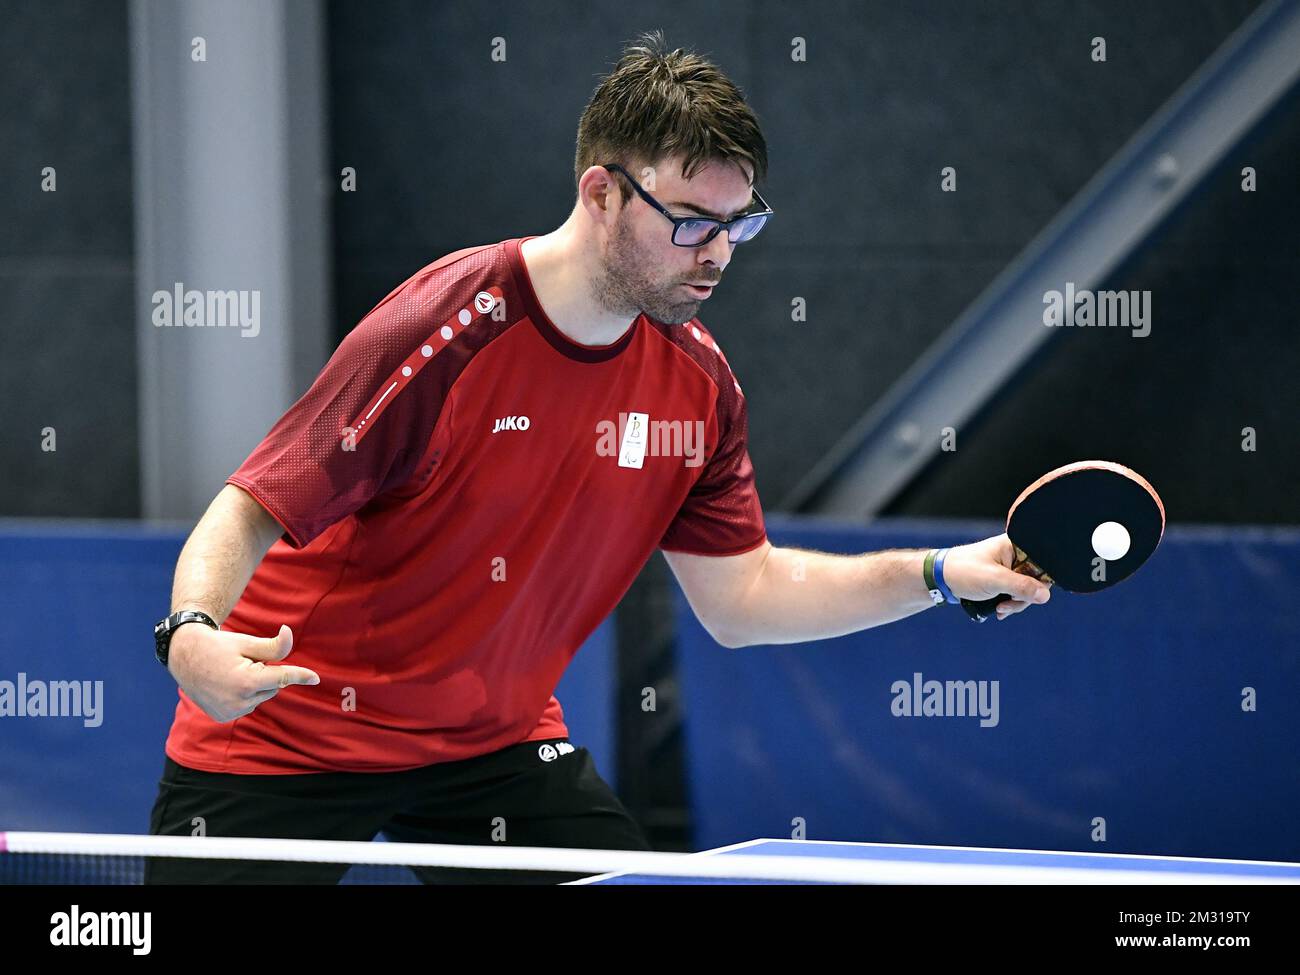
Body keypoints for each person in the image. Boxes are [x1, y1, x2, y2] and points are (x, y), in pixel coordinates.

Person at [147, 30, 1048, 884]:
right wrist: (191, 637)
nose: (721, 253)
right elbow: (251, 504)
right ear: (602, 193)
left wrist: (935, 573)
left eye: (740, 224)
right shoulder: (446, 329)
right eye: (693, 221)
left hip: (487, 749)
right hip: (288, 731)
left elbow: (744, 598)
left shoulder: (700, 387)